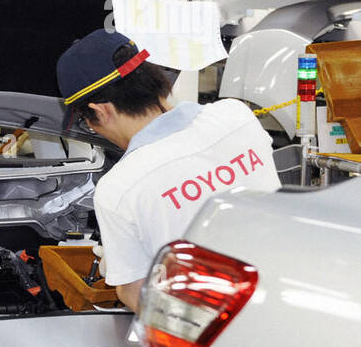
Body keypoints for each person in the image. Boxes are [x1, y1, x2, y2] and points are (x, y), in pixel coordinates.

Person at [56, 29, 281, 312]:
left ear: (99, 112)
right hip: (288, 297)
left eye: (88, 123)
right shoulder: (236, 116)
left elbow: (137, 296)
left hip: (219, 333)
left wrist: (120, 266)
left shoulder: (119, 188)